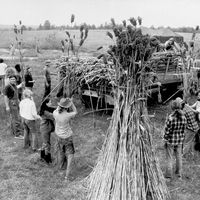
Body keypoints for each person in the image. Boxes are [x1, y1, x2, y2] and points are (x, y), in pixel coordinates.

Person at [53, 97, 77, 181]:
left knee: (61, 152)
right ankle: (67, 177)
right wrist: (71, 103)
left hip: (59, 136)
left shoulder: (55, 113)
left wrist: (62, 103)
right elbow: (75, 112)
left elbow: (58, 109)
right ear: (67, 107)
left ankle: (61, 168)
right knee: (70, 156)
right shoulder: (68, 115)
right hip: (67, 138)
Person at [164, 99, 186, 179]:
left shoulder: (170, 118)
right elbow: (184, 130)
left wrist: (165, 139)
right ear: (180, 107)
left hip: (170, 141)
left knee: (169, 158)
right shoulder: (183, 117)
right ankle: (179, 174)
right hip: (179, 141)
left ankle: (168, 176)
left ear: (172, 107)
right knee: (179, 157)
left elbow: (167, 131)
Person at [39, 98, 56, 163]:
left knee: (44, 143)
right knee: (47, 144)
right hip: (45, 129)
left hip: (45, 129)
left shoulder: (45, 108)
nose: (51, 103)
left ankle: (42, 156)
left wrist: (59, 107)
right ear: (46, 103)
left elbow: (52, 108)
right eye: (50, 102)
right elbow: (53, 116)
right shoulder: (45, 112)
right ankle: (47, 159)